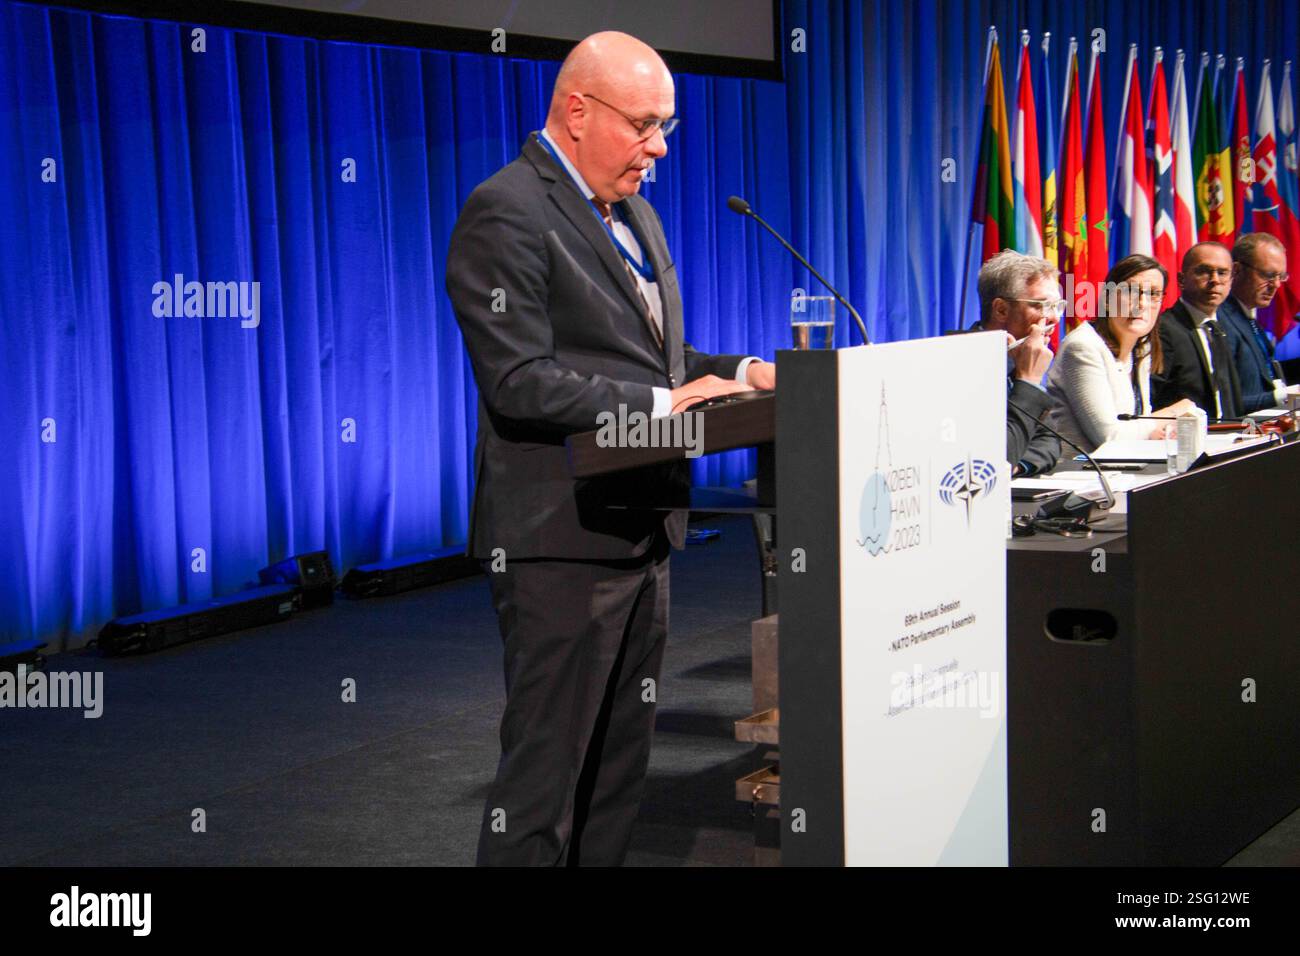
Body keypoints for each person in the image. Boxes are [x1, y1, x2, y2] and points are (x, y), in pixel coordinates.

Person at [445, 31, 776, 866]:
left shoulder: (634, 212)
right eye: (644, 124)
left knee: (617, 771)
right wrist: (668, 401)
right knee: (544, 781)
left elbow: (653, 361)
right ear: (577, 110)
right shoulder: (506, 209)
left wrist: (737, 371)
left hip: (640, 529)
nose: (659, 146)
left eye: (665, 126)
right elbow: (519, 379)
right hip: (560, 537)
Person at [1045, 255, 1196, 451]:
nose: (1141, 303)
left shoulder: (1141, 348)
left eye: (1153, 294)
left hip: (1127, 469)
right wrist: (1173, 412)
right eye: (1131, 292)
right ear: (1107, 299)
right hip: (1079, 474)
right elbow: (1110, 437)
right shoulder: (1082, 346)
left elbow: (1139, 424)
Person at [969, 250, 1062, 476]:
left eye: (1056, 306)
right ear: (1001, 309)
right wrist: (1029, 380)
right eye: (1040, 305)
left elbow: (1050, 442)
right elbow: (991, 464)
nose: (1054, 318)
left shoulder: (1015, 356)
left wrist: (1017, 465)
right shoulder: (964, 364)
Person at [1151, 242, 1244, 420]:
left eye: (1222, 273)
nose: (1215, 280)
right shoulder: (1164, 330)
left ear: (1231, 280)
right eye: (1204, 271)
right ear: (1181, 280)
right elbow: (1153, 398)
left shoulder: (1219, 327)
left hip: (1228, 437)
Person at [1217, 233, 1298, 413]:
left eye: (1281, 276)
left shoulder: (1249, 318)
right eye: (1268, 275)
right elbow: (1224, 403)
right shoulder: (1220, 320)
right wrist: (1285, 395)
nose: (1276, 284)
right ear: (1236, 270)